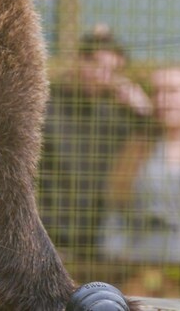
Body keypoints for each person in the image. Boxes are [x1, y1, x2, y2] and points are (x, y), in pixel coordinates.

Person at [38, 25, 153, 266]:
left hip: (96, 239)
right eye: (98, 66)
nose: (103, 76)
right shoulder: (45, 104)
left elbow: (153, 150)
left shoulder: (114, 116)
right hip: (48, 235)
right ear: (81, 62)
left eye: (112, 71)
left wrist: (143, 111)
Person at [99, 67, 180, 278]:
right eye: (157, 92)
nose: (163, 99)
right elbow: (114, 213)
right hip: (143, 271)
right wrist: (118, 257)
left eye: (172, 91)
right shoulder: (135, 149)